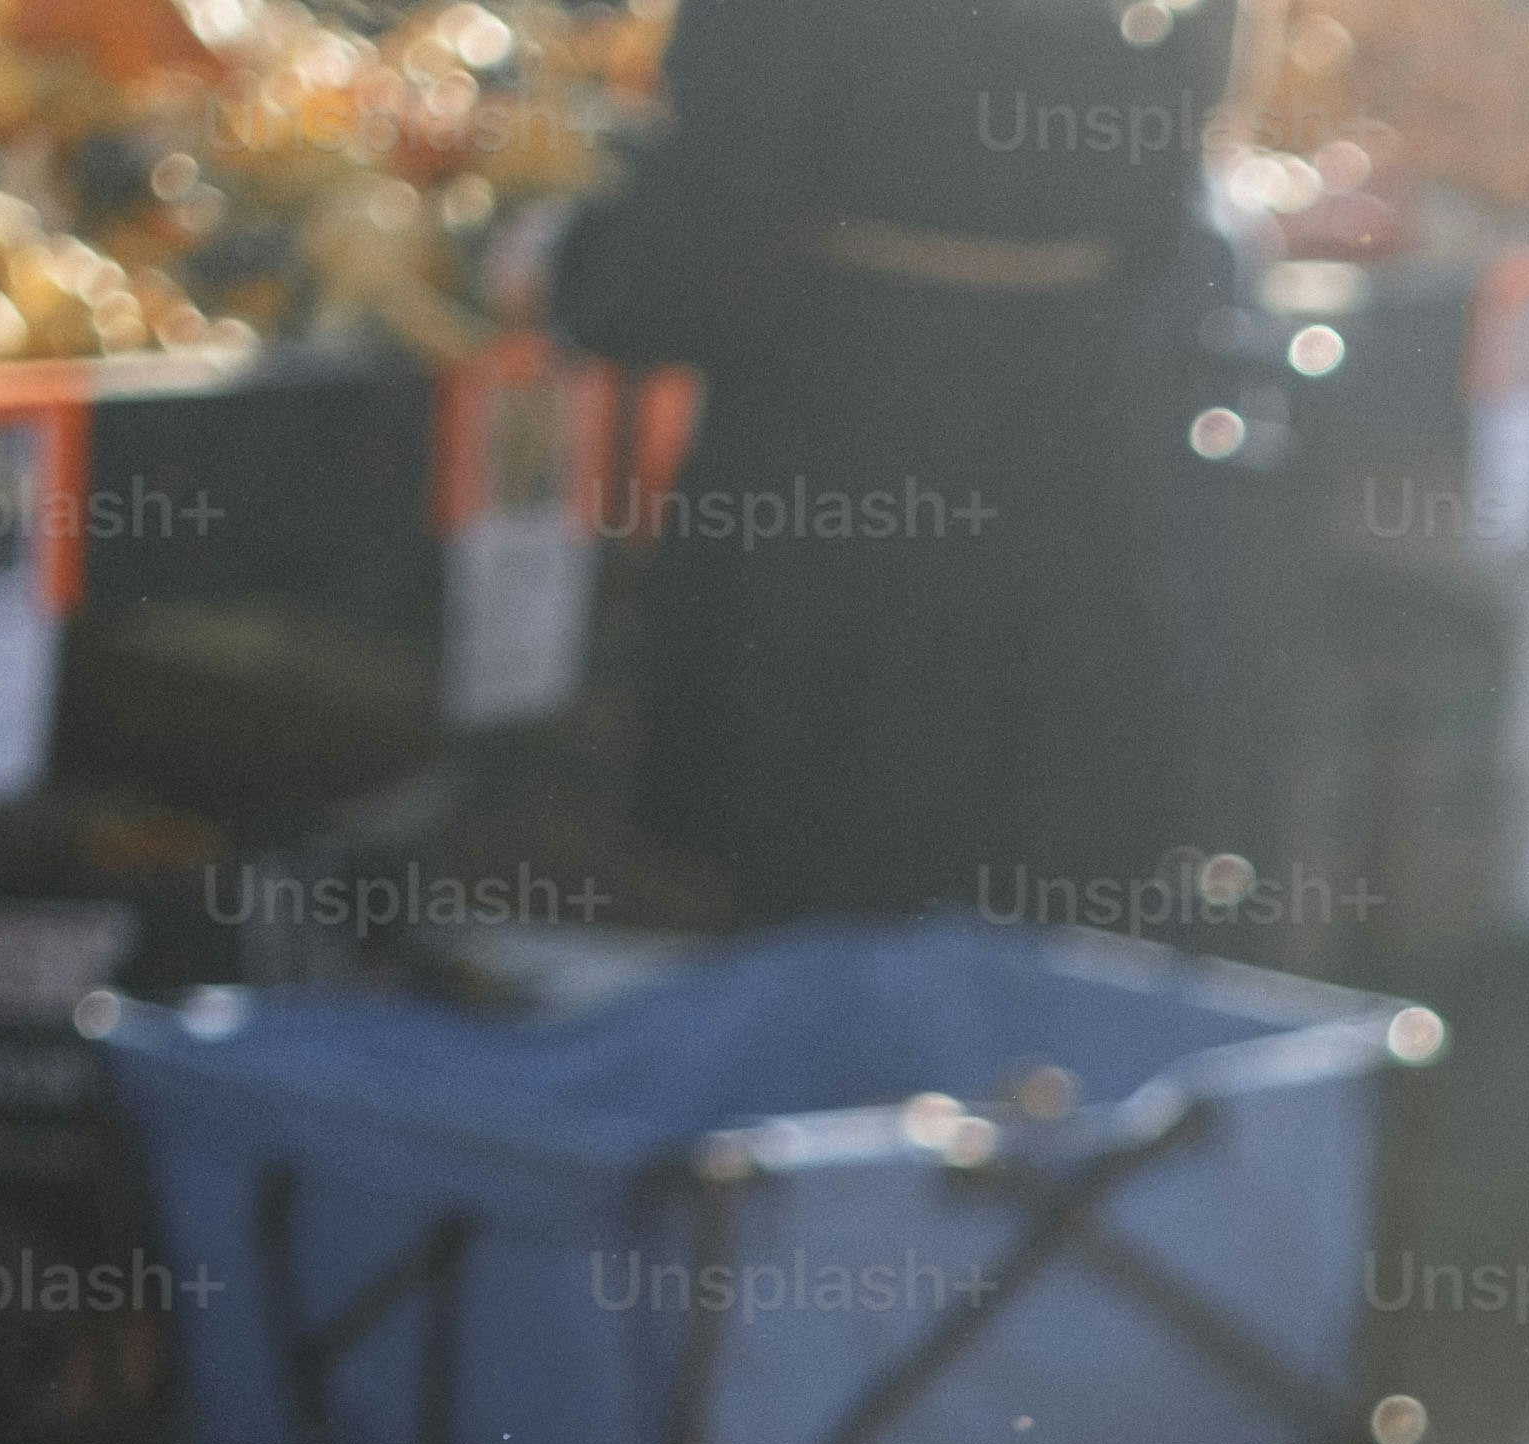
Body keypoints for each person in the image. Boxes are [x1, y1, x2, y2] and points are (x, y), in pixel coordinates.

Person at [538, 0, 1260, 934]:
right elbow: (1171, 237)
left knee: (824, 884)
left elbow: (701, 239)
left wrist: (565, 264)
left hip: (845, 482)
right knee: (1034, 889)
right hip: (1066, 485)